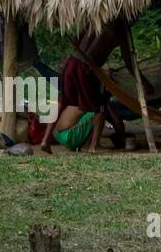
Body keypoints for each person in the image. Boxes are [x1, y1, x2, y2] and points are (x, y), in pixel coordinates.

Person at [40, 19, 137, 153]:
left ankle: (45, 140)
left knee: (62, 101)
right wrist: (142, 81)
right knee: (100, 108)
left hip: (72, 62)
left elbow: (75, 39)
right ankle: (94, 146)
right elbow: (129, 62)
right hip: (87, 68)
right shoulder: (121, 32)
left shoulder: (96, 20)